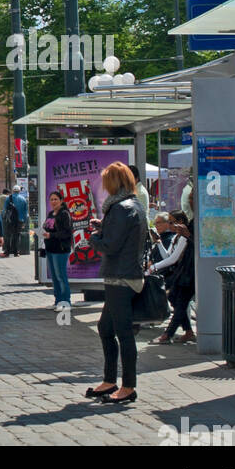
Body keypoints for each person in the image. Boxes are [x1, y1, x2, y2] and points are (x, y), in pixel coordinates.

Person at [84, 161, 145, 405]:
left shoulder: (120, 208)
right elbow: (123, 234)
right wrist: (104, 227)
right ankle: (110, 380)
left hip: (121, 277)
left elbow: (111, 245)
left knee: (122, 332)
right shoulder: (133, 204)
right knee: (106, 328)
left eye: (106, 181)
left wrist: (94, 238)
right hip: (125, 274)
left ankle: (128, 386)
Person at [152, 213, 196, 344]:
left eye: (172, 222)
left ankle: (168, 334)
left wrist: (153, 267)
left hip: (187, 273)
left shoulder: (183, 237)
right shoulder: (177, 237)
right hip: (183, 273)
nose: (170, 225)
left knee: (180, 301)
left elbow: (173, 259)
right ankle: (187, 331)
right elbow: (168, 257)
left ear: (181, 222)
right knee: (176, 300)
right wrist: (159, 243)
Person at [42, 189, 73, 307]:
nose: (53, 201)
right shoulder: (50, 214)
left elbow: (66, 233)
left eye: (56, 199)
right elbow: (47, 227)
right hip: (50, 249)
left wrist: (52, 235)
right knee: (54, 277)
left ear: (61, 201)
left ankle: (66, 301)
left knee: (61, 275)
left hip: (60, 250)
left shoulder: (64, 214)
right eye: (51, 199)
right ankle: (58, 300)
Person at [3, 183, 28, 257]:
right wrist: (24, 222)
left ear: (13, 191)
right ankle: (16, 252)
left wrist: (4, 218)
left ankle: (7, 252)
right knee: (17, 235)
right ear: (19, 191)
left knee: (8, 235)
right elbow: (25, 212)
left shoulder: (8, 198)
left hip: (10, 220)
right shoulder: (23, 199)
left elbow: (5, 210)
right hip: (20, 220)